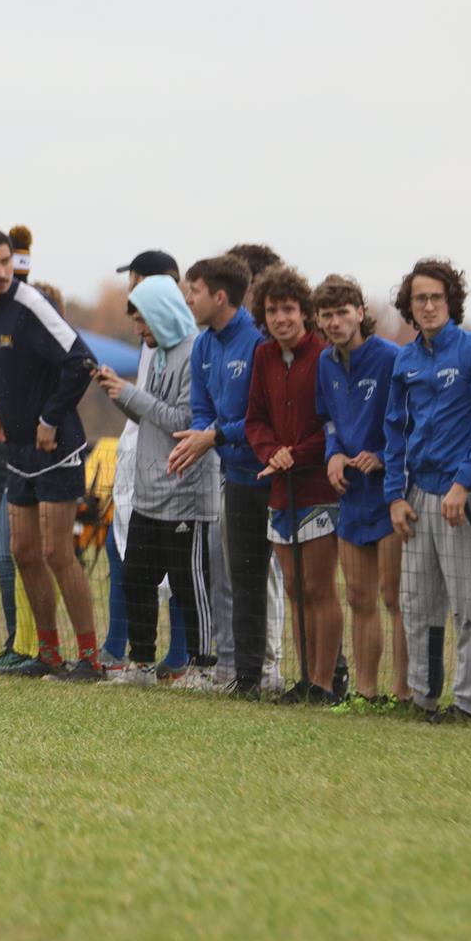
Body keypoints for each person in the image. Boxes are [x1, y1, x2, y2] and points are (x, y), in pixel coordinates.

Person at [0, 225, 101, 679]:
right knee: (23, 551)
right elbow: (7, 371)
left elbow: (81, 362)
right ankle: (47, 654)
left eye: (6, 261)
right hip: (19, 448)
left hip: (57, 445)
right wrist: (2, 412)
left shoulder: (29, 305)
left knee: (57, 551)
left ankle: (91, 658)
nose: (1, 271)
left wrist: (49, 418)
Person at [384, 258, 471, 723]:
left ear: (451, 301)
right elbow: (394, 429)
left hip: (466, 495)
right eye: (420, 298)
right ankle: (424, 697)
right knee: (418, 601)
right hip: (418, 495)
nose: (429, 305)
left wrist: (464, 483)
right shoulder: (406, 359)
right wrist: (395, 495)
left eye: (437, 297)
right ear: (409, 306)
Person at [95, 274, 220, 688]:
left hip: (186, 493)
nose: (138, 330)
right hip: (151, 493)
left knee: (189, 585)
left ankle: (204, 667)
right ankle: (142, 664)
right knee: (137, 579)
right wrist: (120, 395)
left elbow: (182, 421)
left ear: (163, 315)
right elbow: (150, 417)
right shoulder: (158, 354)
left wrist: (129, 394)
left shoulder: (194, 353)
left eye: (143, 320)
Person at [172, 253, 271, 697]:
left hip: (276, 477)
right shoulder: (204, 345)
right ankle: (246, 677)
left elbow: (259, 419)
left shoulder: (257, 342)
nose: (187, 299)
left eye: (193, 291)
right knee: (241, 579)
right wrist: (205, 435)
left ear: (219, 295)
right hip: (235, 478)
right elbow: (201, 412)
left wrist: (212, 437)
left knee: (291, 585)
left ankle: (309, 676)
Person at [244, 267, 342, 704]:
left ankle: (324, 682)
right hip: (280, 489)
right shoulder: (263, 357)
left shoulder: (324, 355)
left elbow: (334, 424)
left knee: (321, 587)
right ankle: (304, 679)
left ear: (304, 312)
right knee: (294, 589)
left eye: (288, 309)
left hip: (319, 486)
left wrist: (295, 454)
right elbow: (255, 419)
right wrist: (270, 452)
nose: (281, 317)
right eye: (272, 310)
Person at [314, 274, 407, 709]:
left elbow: (410, 421)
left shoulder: (391, 358)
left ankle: (405, 692)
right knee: (358, 597)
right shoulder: (325, 363)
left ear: (360, 313)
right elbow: (328, 420)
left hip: (389, 494)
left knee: (395, 597)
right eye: (326, 314)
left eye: (342, 312)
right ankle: (366, 693)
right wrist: (334, 453)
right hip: (350, 495)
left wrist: (384, 455)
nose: (334, 322)